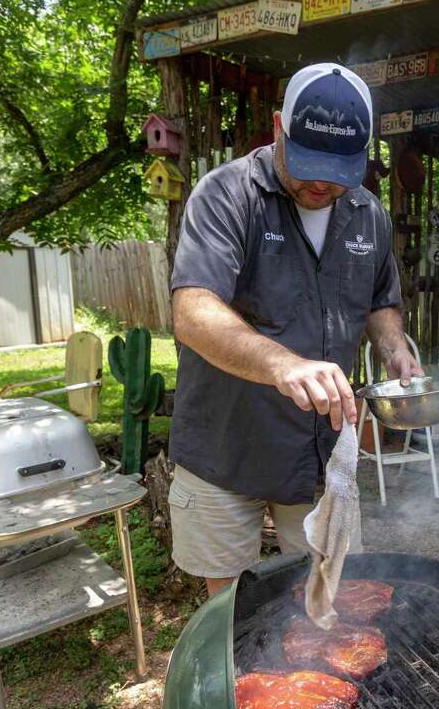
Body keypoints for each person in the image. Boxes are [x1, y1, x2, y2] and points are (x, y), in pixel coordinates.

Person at [168, 63, 422, 596]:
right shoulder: (226, 195)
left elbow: (381, 302)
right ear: (280, 127)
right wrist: (283, 363)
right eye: (309, 163)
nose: (322, 182)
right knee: (229, 614)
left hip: (320, 455)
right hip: (226, 448)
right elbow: (193, 311)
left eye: (338, 170)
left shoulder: (368, 214)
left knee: (328, 600)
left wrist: (394, 348)